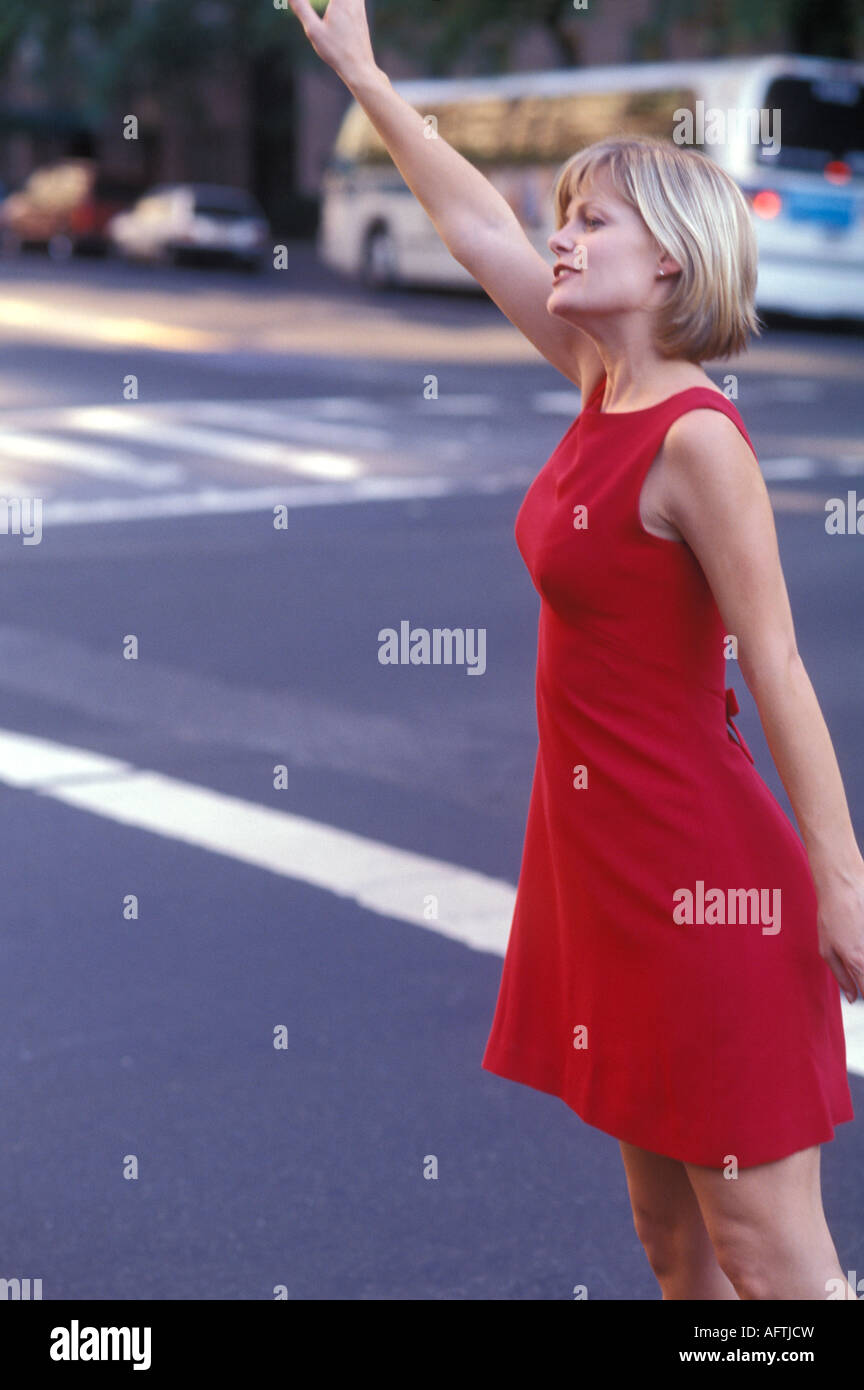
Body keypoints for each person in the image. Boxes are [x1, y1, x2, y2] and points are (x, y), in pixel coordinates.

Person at [286, 0, 863, 1300]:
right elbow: (475, 219)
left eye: (592, 217)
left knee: (771, 1255)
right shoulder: (601, 382)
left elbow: (776, 664)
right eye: (566, 212)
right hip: (602, 867)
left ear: (671, 262)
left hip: (705, 873)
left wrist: (841, 881)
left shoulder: (697, 436)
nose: (560, 231)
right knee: (674, 1245)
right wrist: (368, 79)